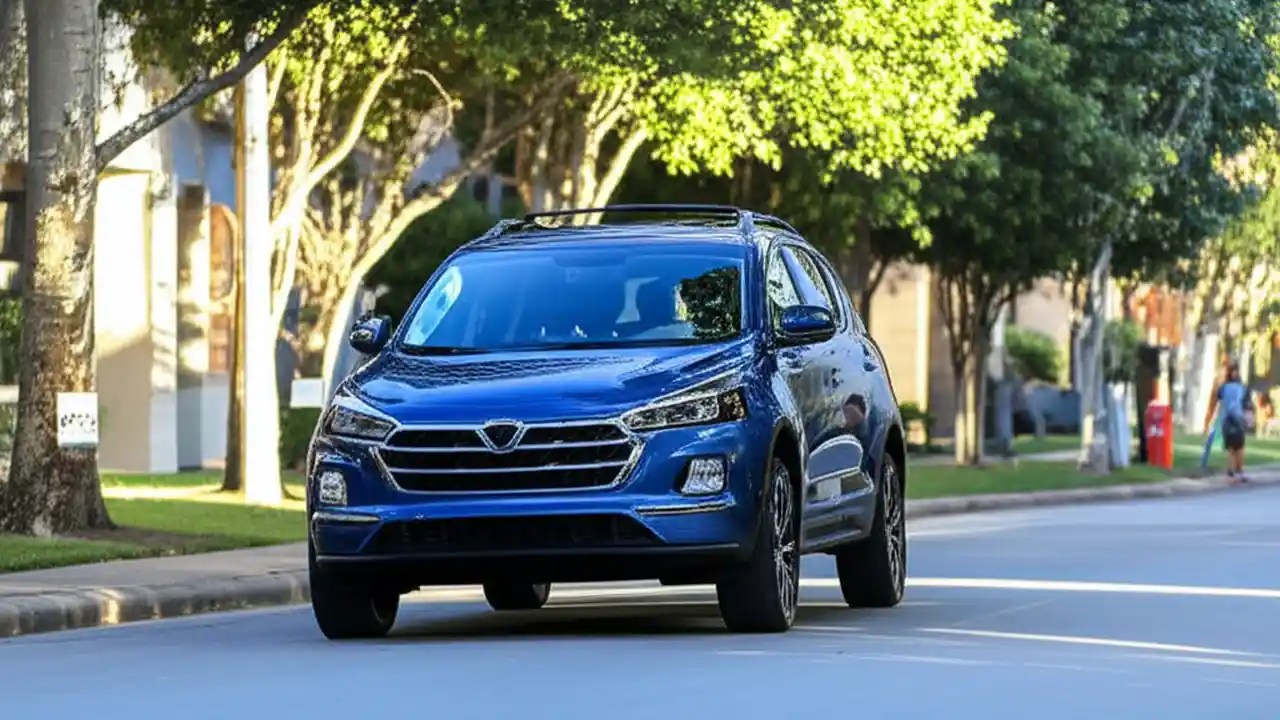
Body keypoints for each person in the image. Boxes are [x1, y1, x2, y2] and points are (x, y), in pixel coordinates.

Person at [1204, 362, 1252, 482]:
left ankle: (1231, 472)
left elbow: (1215, 401)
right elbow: (1247, 406)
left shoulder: (1223, 387)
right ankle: (1238, 471)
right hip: (1238, 418)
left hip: (1227, 419)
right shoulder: (1243, 388)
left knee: (1231, 447)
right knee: (1239, 447)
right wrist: (1249, 420)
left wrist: (1209, 420)